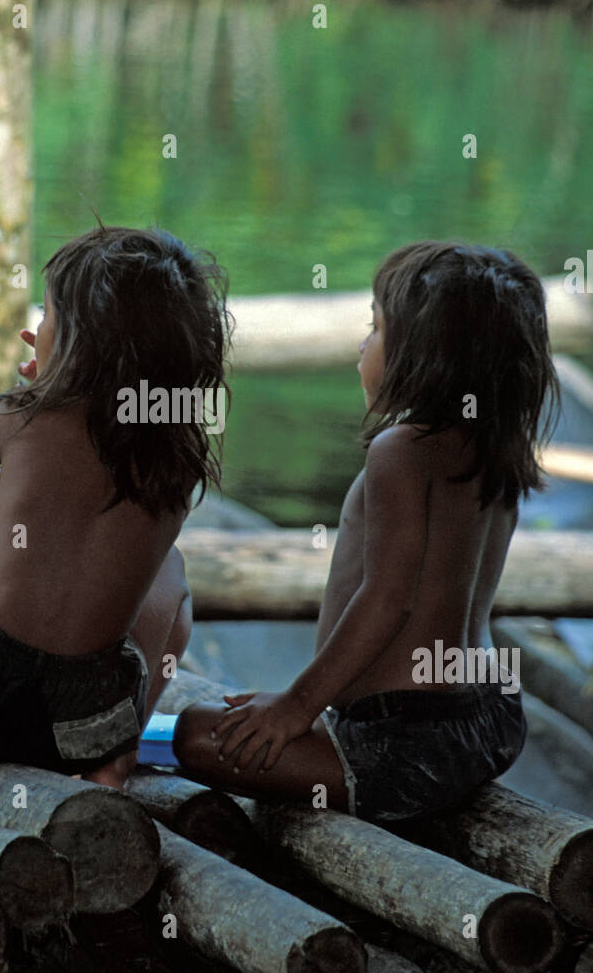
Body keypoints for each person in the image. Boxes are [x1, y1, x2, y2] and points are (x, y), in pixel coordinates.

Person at [174, 242, 560, 822]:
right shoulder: (495, 448)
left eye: (375, 328)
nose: (362, 343)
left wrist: (296, 706)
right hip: (490, 721)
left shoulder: (401, 450)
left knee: (192, 733)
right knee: (239, 711)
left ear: (425, 355)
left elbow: (388, 597)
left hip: (400, 744)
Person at [0, 225, 231, 789]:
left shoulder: (20, 415)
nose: (33, 330)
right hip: (76, 729)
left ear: (78, 342)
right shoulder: (178, 458)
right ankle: (117, 756)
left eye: (46, 317)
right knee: (171, 573)